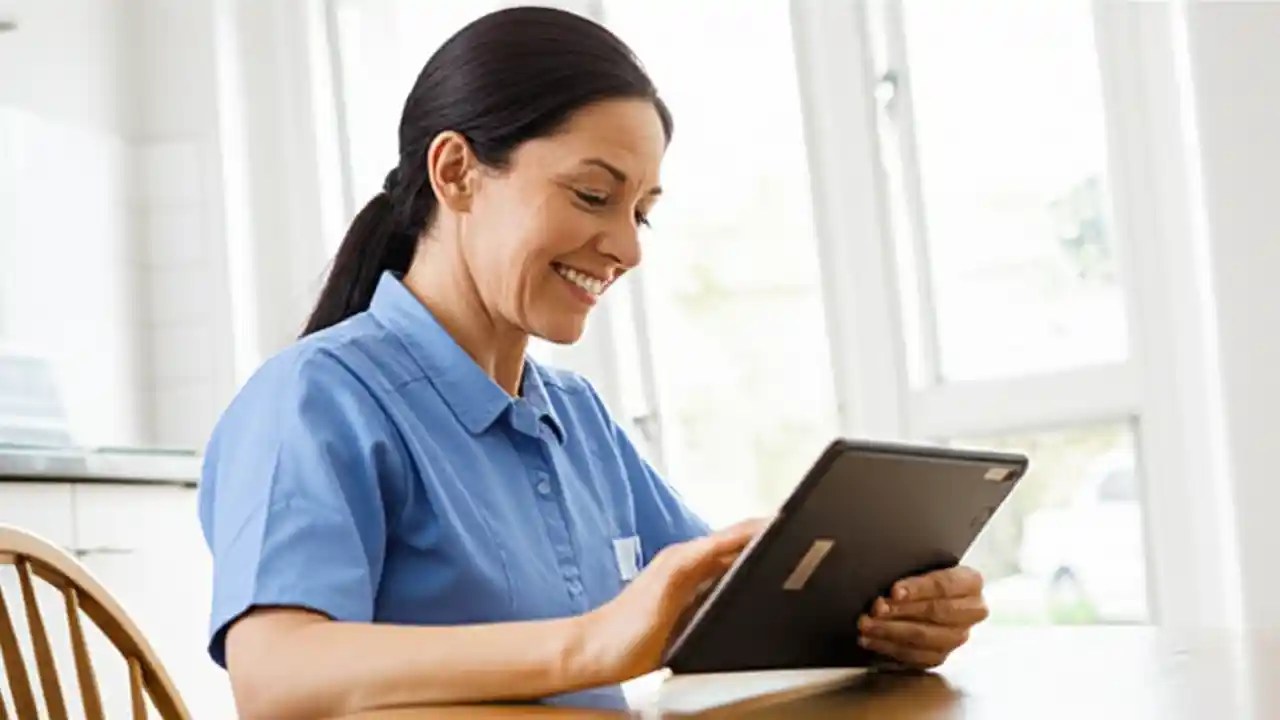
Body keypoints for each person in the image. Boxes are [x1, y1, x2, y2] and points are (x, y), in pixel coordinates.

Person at [198, 7, 989, 719]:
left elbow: (720, 613)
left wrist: (884, 618)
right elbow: (275, 676)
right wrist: (592, 643)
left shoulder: (574, 419)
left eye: (642, 211)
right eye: (591, 195)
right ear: (456, 172)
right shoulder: (316, 398)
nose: (629, 246)